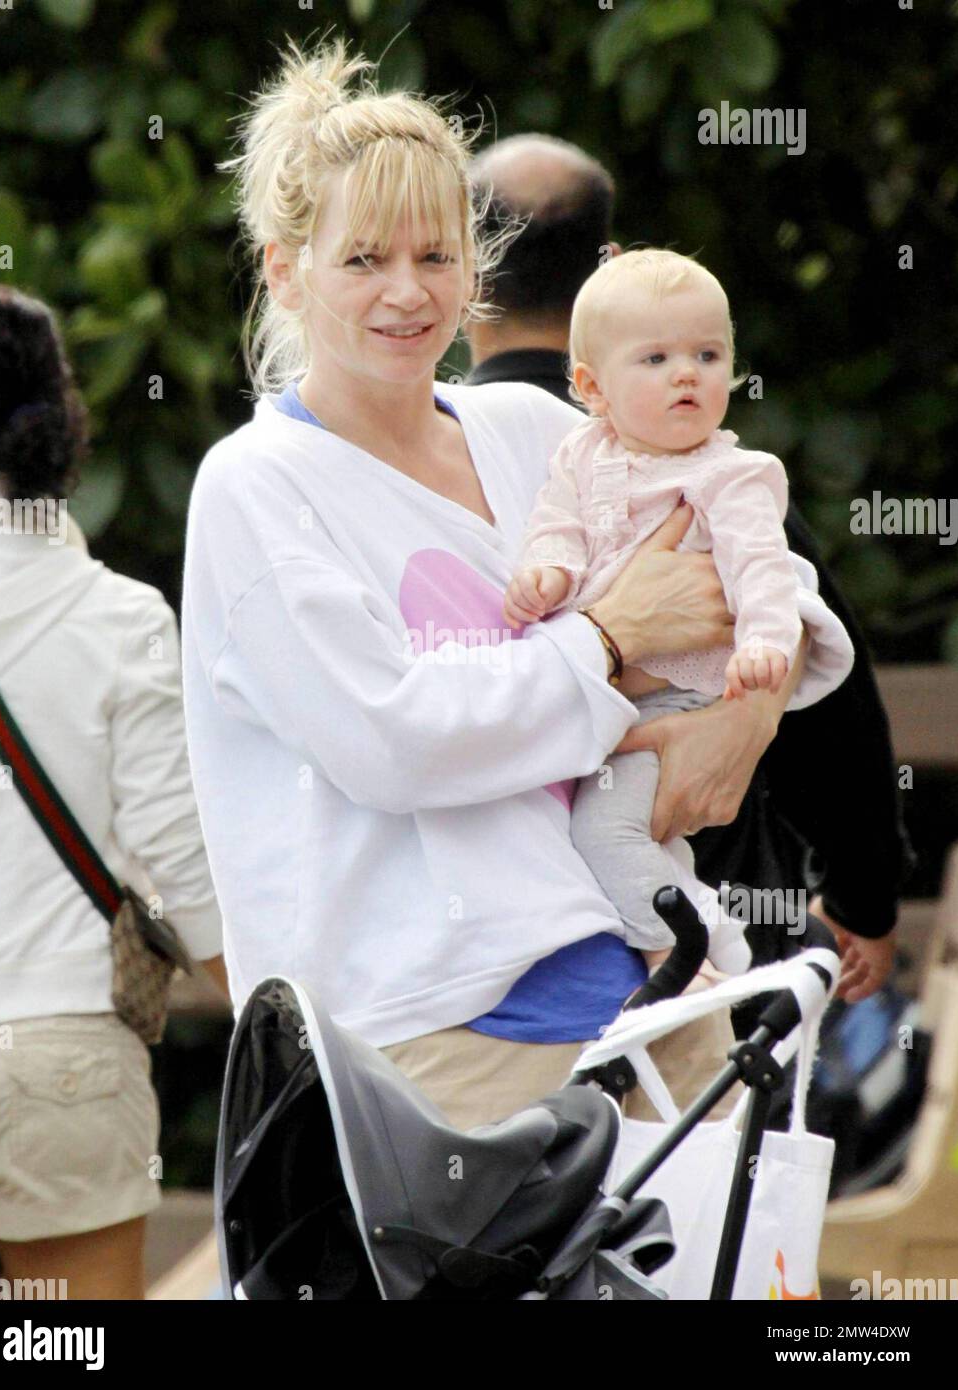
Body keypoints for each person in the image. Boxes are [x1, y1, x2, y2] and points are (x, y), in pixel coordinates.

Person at [181, 38, 851, 1135]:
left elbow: (768, 576)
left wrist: (741, 720)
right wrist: (601, 639)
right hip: (433, 1031)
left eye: (435, 254)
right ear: (284, 269)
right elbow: (393, 742)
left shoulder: (538, 429)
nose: (407, 292)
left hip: (656, 980)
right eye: (362, 261)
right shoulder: (256, 486)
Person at [467, 134, 912, 1004]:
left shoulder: (440, 462)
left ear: (466, 281)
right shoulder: (676, 452)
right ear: (612, 262)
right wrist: (865, 898)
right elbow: (839, 718)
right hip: (720, 905)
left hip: (489, 949)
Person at [0, 285, 229, 1300]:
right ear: (58, 425)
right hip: (63, 1048)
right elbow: (166, 854)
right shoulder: (117, 614)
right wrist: (258, 997)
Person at [505, 246, 839, 979]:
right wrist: (549, 572)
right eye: (654, 358)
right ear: (591, 386)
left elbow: (761, 570)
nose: (686, 372)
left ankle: (679, 948)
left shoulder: (731, 474)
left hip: (684, 694)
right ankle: (701, 929)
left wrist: (762, 644)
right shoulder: (578, 455)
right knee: (613, 831)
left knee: (602, 829)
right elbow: (556, 523)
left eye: (707, 353)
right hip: (603, 699)